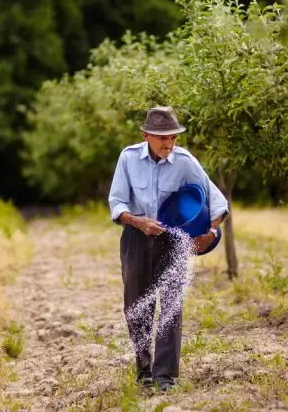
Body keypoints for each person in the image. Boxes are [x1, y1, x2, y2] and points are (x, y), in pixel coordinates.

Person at [108, 106, 229, 391]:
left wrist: (211, 231)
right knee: (137, 307)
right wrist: (138, 223)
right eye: (163, 138)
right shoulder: (128, 159)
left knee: (171, 307)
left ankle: (166, 377)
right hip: (136, 239)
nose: (169, 144)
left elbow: (218, 201)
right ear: (146, 135)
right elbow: (117, 203)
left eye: (173, 137)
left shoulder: (185, 162)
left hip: (173, 242)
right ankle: (144, 372)